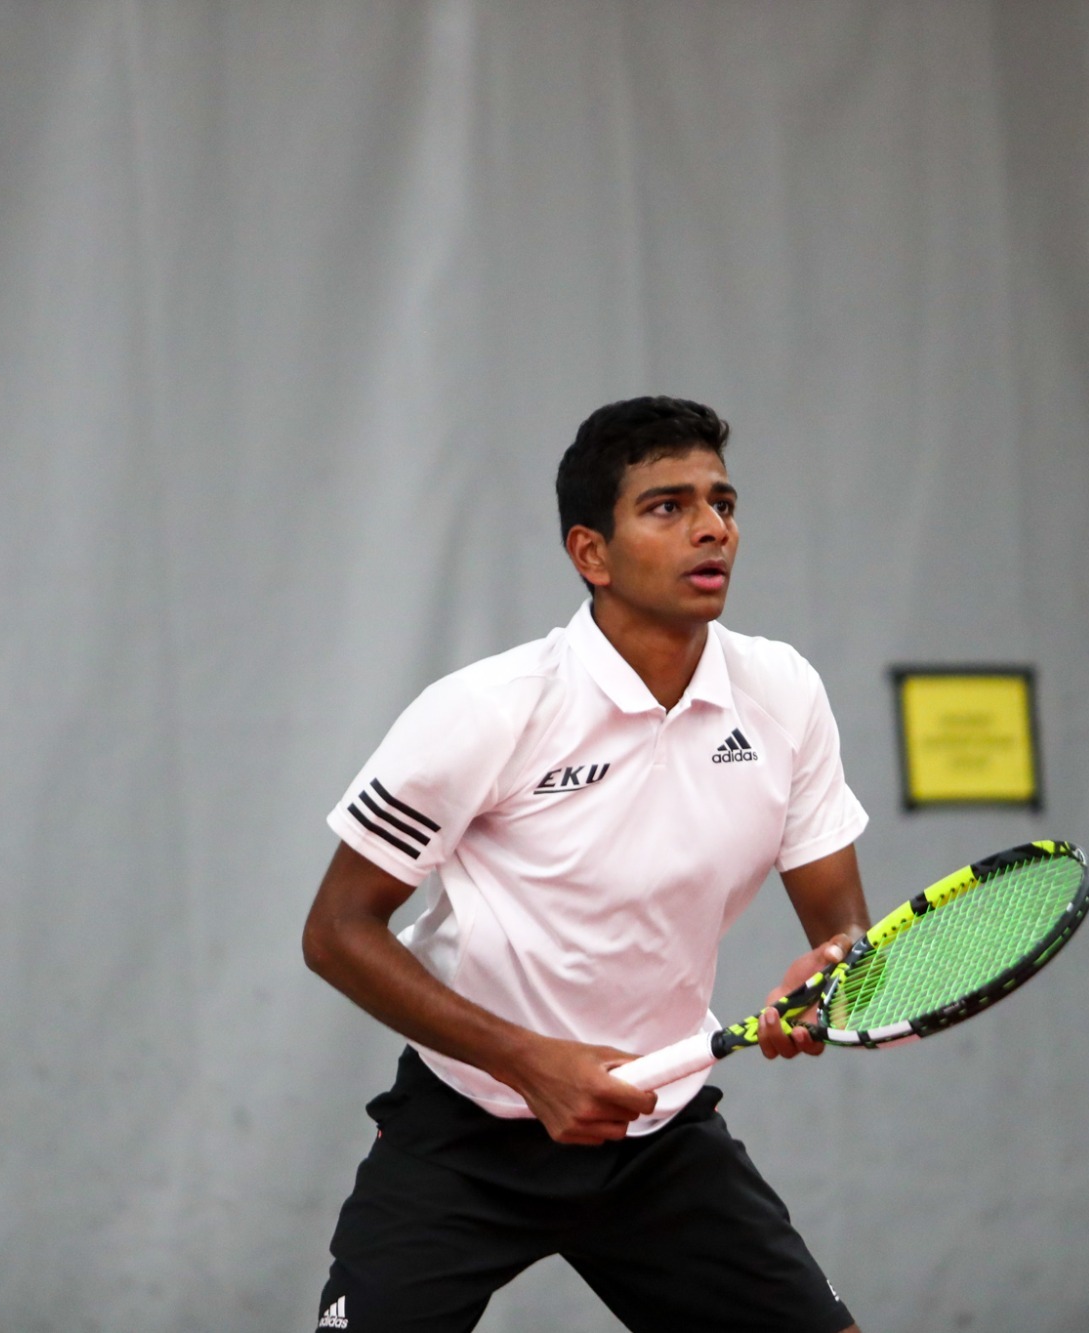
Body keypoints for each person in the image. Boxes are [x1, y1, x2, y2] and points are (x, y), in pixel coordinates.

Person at [302, 397, 871, 1332]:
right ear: (590, 553)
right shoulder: (489, 708)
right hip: (465, 1125)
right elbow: (335, 933)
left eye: (722, 502)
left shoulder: (783, 693)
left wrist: (832, 972)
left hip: (658, 1136)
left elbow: (842, 928)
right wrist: (531, 1063)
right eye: (667, 505)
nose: (710, 527)